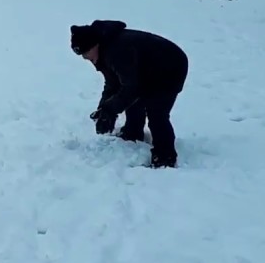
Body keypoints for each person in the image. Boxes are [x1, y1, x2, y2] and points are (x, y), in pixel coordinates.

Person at [70, 19, 189, 169]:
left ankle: (165, 157)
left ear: (94, 45)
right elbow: (113, 84)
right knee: (131, 96)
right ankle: (133, 131)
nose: (84, 57)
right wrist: (104, 110)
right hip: (147, 69)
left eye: (85, 52)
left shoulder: (117, 51)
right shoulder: (103, 50)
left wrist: (110, 110)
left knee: (157, 113)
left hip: (170, 67)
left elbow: (131, 88)